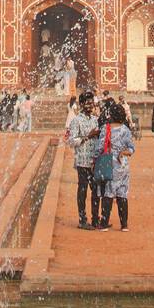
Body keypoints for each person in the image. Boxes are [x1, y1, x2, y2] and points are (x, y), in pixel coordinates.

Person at [96, 102, 135, 231]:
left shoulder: (106, 129)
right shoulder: (125, 130)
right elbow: (131, 149)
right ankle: (124, 225)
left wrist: (94, 160)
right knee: (122, 193)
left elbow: (99, 148)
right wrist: (123, 152)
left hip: (109, 164)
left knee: (108, 192)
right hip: (123, 165)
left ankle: (104, 222)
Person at [67, 92, 101, 229]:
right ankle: (82, 219)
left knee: (96, 190)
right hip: (82, 160)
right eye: (87, 102)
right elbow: (71, 141)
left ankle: (95, 219)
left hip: (94, 160)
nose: (90, 105)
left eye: (91, 102)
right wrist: (88, 136)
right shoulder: (76, 120)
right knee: (82, 190)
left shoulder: (95, 119)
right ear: (81, 104)